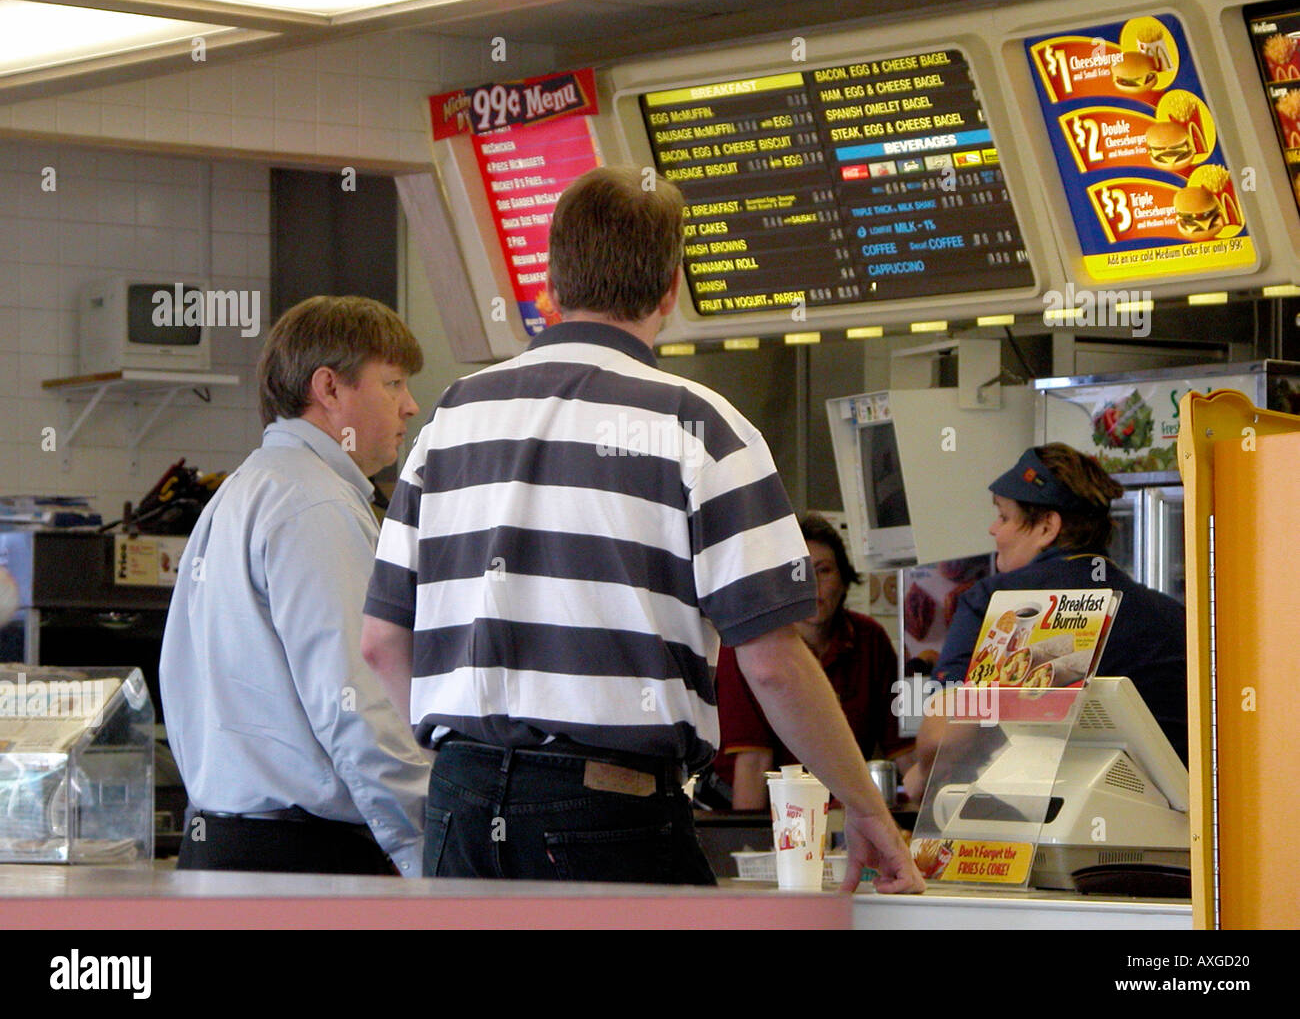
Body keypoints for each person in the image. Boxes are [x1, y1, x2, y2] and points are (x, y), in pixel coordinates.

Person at [360, 165, 923, 893]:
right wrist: (867, 808)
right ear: (670, 292)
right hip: (611, 815)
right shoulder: (703, 428)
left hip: (458, 810)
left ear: (552, 287)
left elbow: (380, 642)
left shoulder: (450, 421)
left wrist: (475, 762)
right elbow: (774, 662)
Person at [160, 295, 431, 875]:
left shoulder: (242, 490)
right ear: (329, 388)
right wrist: (423, 849)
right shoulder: (314, 504)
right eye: (393, 383)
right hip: (304, 860)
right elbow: (356, 703)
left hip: (221, 845)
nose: (410, 406)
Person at [903, 443, 1188, 802]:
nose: (994, 531)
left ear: (1047, 527)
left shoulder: (999, 605)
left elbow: (943, 738)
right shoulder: (1168, 614)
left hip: (1033, 831)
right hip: (1164, 836)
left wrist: (923, 773)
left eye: (1005, 517)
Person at [708, 513, 906, 811]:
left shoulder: (870, 640)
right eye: (797, 572)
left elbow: (903, 751)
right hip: (749, 809)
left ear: (844, 579)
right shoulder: (746, 645)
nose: (811, 585)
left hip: (843, 810)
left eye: (823, 571)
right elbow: (752, 765)